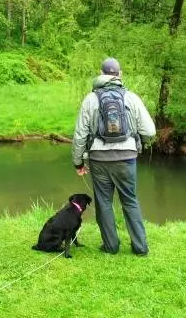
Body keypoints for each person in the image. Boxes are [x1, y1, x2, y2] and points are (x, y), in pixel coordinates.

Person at [72, 57, 156, 256]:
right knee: (130, 200)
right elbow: (150, 131)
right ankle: (140, 247)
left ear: (101, 74)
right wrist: (138, 140)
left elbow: (79, 135)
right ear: (120, 75)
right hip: (127, 159)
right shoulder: (132, 98)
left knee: (103, 203)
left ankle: (111, 246)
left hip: (99, 160)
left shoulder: (90, 99)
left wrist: (78, 163)